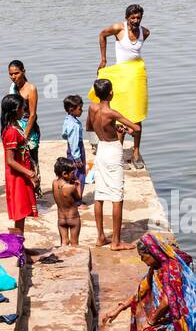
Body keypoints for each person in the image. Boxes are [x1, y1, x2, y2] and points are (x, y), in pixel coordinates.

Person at [87, 78, 140, 250]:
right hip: (113, 151)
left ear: (96, 94)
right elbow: (136, 128)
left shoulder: (91, 108)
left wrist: (112, 128)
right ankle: (116, 241)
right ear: (111, 93)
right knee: (117, 196)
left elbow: (89, 127)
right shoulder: (112, 113)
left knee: (100, 194)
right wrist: (125, 129)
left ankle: (101, 236)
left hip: (101, 149)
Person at [96, 4, 150, 169]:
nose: (136, 20)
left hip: (136, 76)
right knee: (120, 114)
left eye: (138, 17)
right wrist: (104, 59)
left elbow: (136, 54)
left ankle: (136, 152)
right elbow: (102, 35)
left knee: (137, 115)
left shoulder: (145, 32)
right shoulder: (119, 28)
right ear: (127, 18)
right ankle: (119, 152)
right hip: (121, 75)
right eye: (132, 17)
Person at [0, 94, 38, 235]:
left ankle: (21, 246)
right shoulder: (11, 132)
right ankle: (19, 247)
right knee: (20, 213)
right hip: (17, 177)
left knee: (23, 213)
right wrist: (29, 173)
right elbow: (10, 160)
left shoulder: (16, 127)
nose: (24, 110)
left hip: (22, 173)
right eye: (22, 108)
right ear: (15, 110)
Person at [7, 61, 41, 190]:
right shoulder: (13, 88)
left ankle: (36, 191)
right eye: (11, 74)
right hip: (16, 127)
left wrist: (25, 135)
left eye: (16, 73)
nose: (14, 76)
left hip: (29, 129)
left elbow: (33, 114)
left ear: (23, 72)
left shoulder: (31, 89)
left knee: (31, 160)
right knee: (18, 160)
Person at [53, 156, 82, 248]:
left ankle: (64, 259)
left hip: (61, 219)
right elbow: (78, 198)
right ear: (65, 174)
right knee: (74, 244)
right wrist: (78, 185)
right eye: (72, 173)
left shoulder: (54, 183)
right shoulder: (71, 187)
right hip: (73, 218)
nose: (74, 175)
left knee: (64, 243)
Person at [60, 95, 87, 196]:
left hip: (70, 150)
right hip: (76, 151)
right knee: (79, 174)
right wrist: (77, 158)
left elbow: (64, 134)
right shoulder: (74, 125)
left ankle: (73, 198)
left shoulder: (67, 120)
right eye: (80, 109)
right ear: (72, 109)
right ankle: (77, 200)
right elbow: (75, 143)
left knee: (71, 173)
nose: (82, 111)